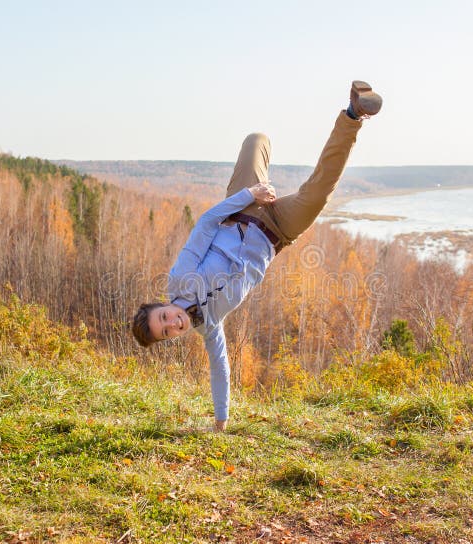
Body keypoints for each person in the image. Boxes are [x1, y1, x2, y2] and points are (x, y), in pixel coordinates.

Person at [132, 81, 382, 431]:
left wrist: (251, 192)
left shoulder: (180, 278)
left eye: (165, 318)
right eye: (168, 332)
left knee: (256, 140)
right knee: (320, 191)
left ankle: (269, 156)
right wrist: (221, 422)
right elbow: (220, 368)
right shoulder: (210, 326)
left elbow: (206, 223)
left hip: (245, 206)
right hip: (276, 230)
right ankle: (354, 114)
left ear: (162, 305)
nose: (174, 324)